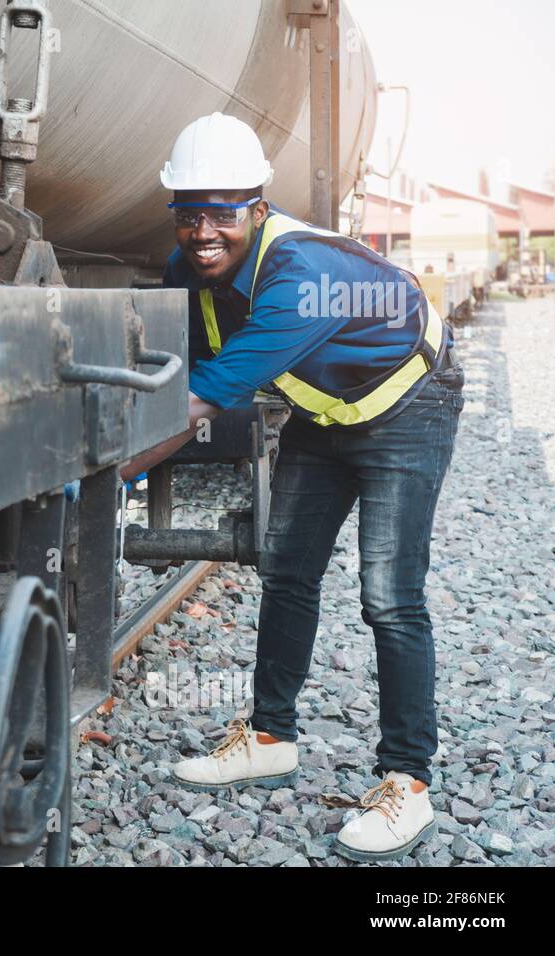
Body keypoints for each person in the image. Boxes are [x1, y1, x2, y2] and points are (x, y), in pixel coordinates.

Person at [120, 112, 465, 863]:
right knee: (287, 570)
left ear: (259, 208)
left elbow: (202, 401)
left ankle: (408, 783)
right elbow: (173, 377)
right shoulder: (191, 271)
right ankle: (271, 736)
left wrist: (102, 477)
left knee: (390, 596)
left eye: (223, 213)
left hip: (409, 404)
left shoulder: (300, 278)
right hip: (325, 409)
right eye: (189, 213)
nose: (204, 229)